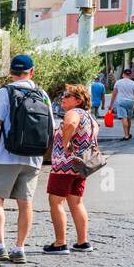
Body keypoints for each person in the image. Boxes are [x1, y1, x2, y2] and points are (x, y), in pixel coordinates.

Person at [0, 54, 53, 265]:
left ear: (11, 72)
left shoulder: (5, 92)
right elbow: (51, 128)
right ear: (32, 72)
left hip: (4, 156)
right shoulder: (42, 94)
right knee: (25, 203)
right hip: (32, 157)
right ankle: (19, 249)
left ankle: (0, 247)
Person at [43, 84, 97, 254]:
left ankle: (60, 243)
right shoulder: (89, 117)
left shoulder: (73, 113)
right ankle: (83, 242)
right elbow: (94, 133)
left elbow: (70, 123)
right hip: (80, 166)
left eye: (67, 95)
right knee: (76, 202)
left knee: (56, 201)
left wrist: (66, 142)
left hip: (64, 165)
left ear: (78, 100)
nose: (63, 98)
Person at [108, 67, 134, 140]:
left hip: (121, 102)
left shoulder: (118, 82)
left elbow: (114, 94)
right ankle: (128, 133)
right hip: (130, 102)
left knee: (124, 118)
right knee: (129, 118)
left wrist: (111, 105)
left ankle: (126, 135)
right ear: (130, 75)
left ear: (123, 74)